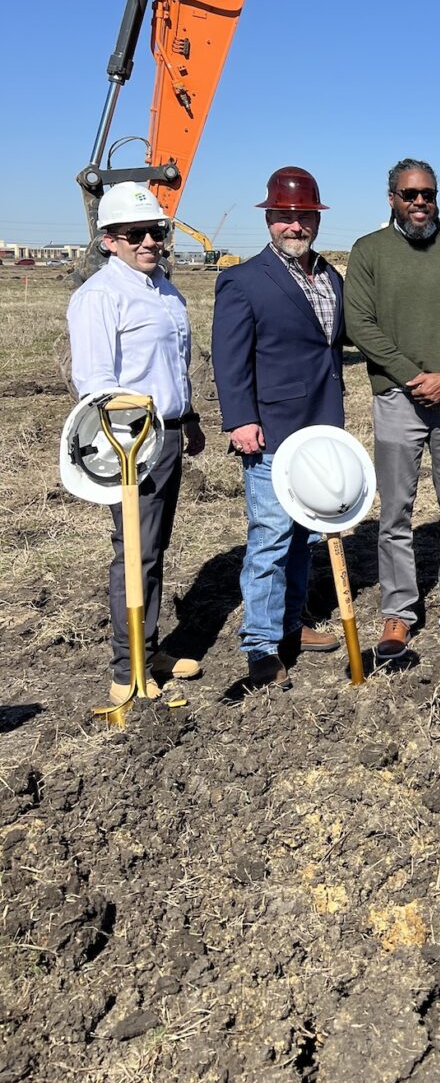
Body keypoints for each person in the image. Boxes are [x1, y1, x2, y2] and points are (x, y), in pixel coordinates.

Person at [344, 160, 440, 659]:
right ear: (391, 198)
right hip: (396, 398)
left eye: (427, 193)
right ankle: (399, 612)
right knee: (396, 512)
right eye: (409, 194)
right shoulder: (369, 251)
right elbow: (360, 324)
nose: (419, 202)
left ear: (437, 196)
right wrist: (413, 377)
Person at [67, 183, 206, 702]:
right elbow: (97, 386)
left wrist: (187, 419)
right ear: (109, 240)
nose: (149, 241)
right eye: (136, 234)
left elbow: (172, 368)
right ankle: (129, 671)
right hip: (131, 443)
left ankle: (149, 648)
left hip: (167, 434)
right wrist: (131, 446)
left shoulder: (166, 290)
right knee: (134, 552)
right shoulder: (100, 297)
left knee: (153, 548)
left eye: (157, 232)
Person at [212, 166, 345, 688]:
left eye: (304, 216)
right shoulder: (242, 280)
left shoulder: (330, 277)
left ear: (316, 218)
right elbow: (230, 357)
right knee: (270, 537)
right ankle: (262, 647)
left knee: (305, 537)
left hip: (320, 430)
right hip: (269, 429)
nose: (295, 226)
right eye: (285, 217)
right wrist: (240, 418)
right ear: (269, 219)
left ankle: (292, 624)